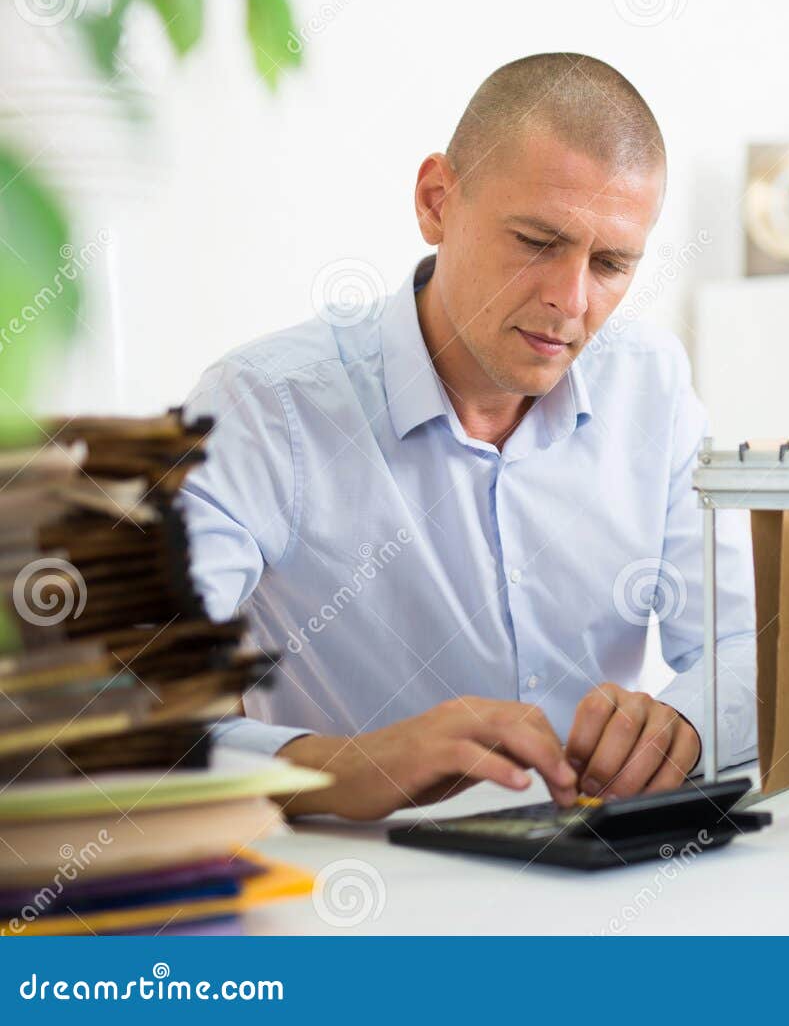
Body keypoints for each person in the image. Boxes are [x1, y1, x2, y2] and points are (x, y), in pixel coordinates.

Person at [178, 53, 756, 821]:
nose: (570, 299)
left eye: (612, 263)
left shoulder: (653, 385)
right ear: (436, 201)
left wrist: (682, 721)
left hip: (598, 878)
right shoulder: (263, 408)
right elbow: (129, 712)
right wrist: (334, 769)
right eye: (537, 241)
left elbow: (747, 642)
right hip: (364, 891)